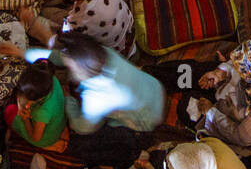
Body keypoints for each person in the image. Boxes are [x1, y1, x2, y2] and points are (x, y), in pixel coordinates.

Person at [13, 31, 165, 135]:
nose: (69, 69)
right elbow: (60, 56)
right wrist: (23, 53)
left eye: (72, 67)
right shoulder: (103, 53)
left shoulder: (97, 99)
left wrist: (68, 99)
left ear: (83, 71)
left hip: (147, 119)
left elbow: (83, 127)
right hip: (153, 86)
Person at [6, 62, 69, 148]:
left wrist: (26, 120)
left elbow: (36, 138)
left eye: (28, 97)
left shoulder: (41, 112)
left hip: (44, 138)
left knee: (9, 111)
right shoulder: (50, 78)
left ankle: (50, 146)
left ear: (38, 98)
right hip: (59, 121)